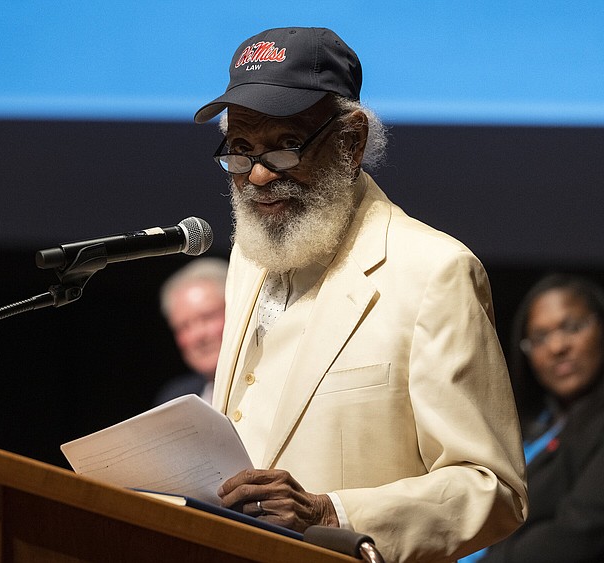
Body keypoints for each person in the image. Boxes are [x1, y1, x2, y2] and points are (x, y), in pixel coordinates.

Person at [193, 26, 527, 562]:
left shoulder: (434, 272)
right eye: (240, 148)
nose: (256, 174)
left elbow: (493, 489)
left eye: (284, 145)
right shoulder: (247, 258)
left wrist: (333, 514)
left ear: (351, 142)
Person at [476, 274, 604, 562]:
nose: (558, 347)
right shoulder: (529, 422)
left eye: (572, 327)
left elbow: (579, 531)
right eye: (540, 337)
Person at [153, 257, 228, 406]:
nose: (197, 336)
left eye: (207, 317)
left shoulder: (275, 383)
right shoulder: (173, 401)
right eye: (184, 326)